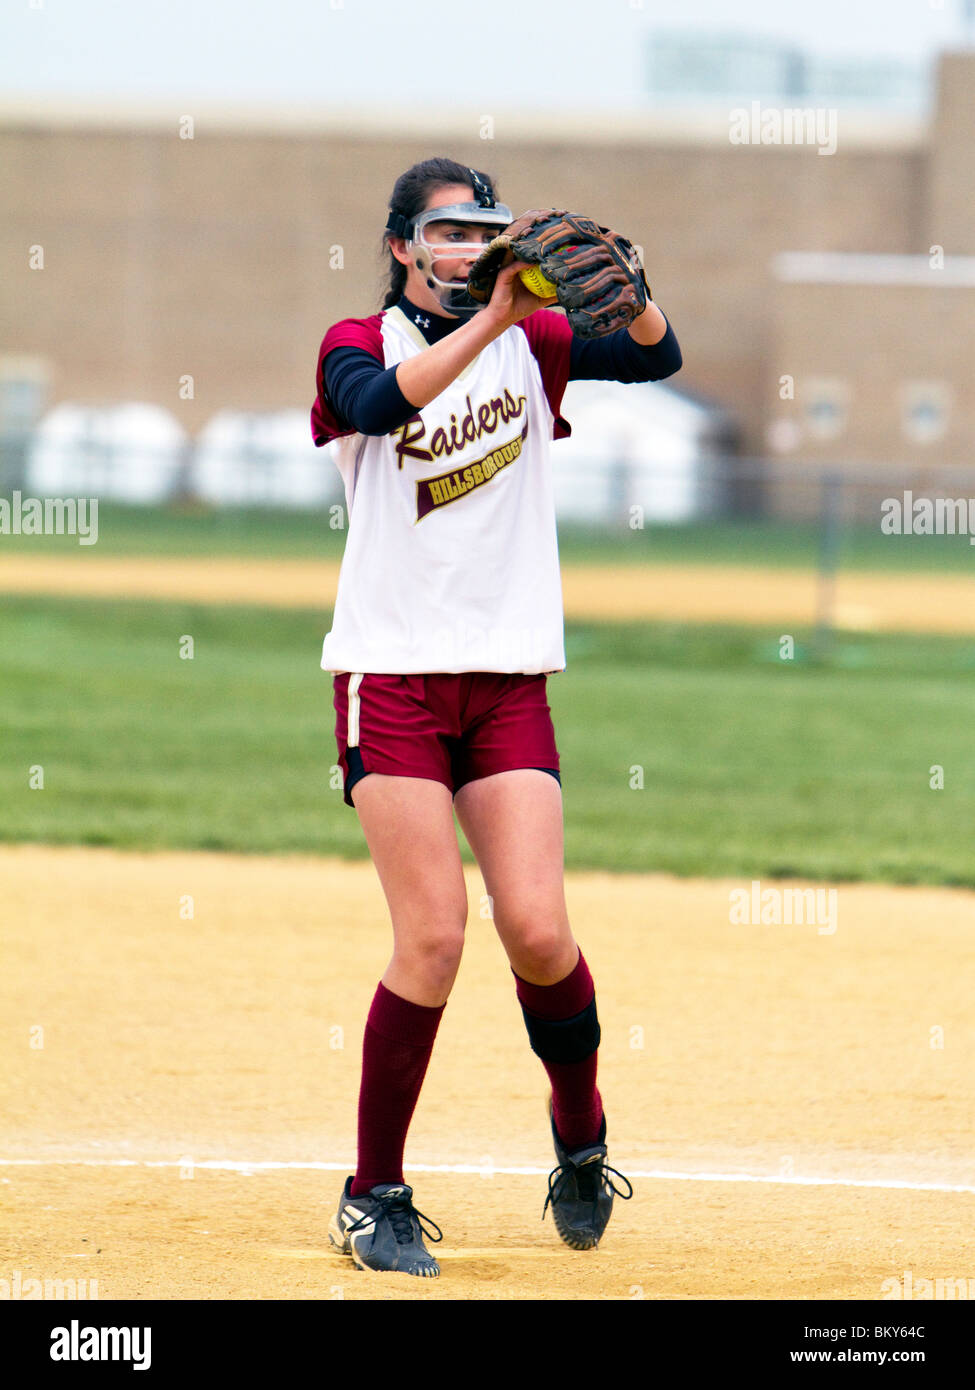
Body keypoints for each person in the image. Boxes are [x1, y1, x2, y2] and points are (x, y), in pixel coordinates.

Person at [310, 156, 682, 1277]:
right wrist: (501, 317)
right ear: (403, 248)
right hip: (394, 674)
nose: (474, 246)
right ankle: (374, 1189)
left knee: (537, 929)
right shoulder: (357, 341)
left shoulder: (537, 342)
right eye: (450, 232)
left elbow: (659, 353)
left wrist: (632, 280)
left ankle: (580, 1135)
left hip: (508, 675)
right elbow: (377, 408)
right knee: (433, 936)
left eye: (486, 226)